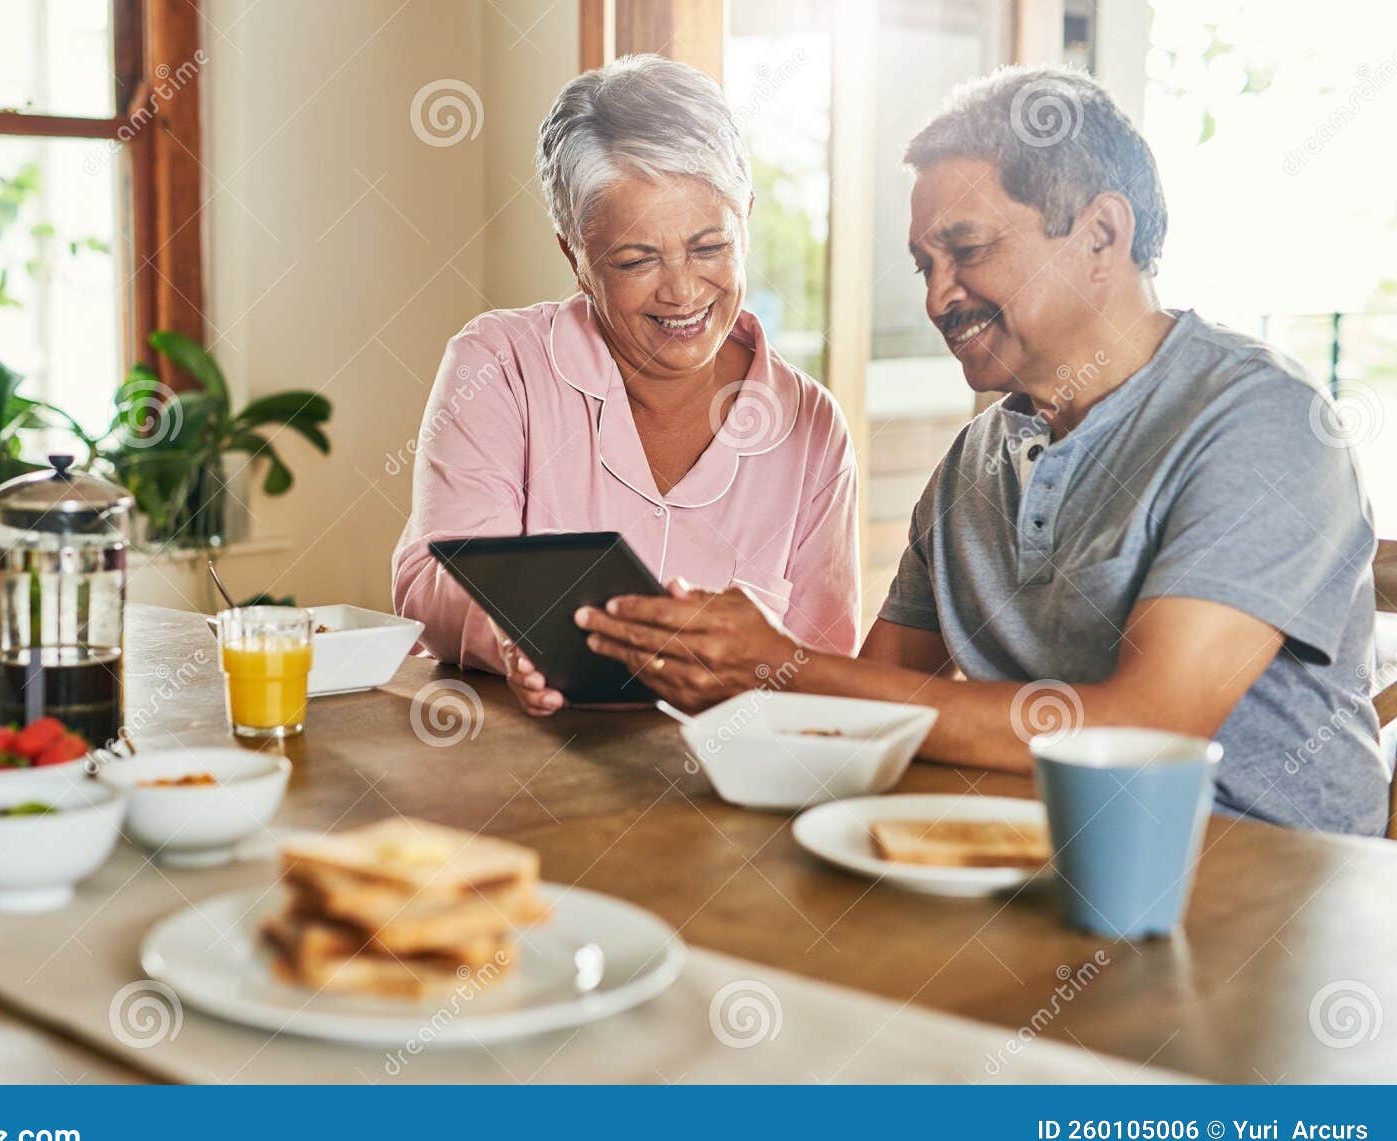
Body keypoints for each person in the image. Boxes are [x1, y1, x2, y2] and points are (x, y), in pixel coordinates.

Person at [577, 65, 1387, 836]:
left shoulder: (1263, 423)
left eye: (967, 250)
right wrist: (700, 663)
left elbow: (1146, 729)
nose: (936, 296)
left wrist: (783, 666)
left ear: (1103, 233)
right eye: (925, 264)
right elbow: (873, 703)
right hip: (1026, 868)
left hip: (1268, 897)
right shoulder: (976, 462)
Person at [392, 55, 863, 716]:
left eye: (708, 248)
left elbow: (823, 666)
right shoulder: (499, 365)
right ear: (575, 256)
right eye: (637, 259)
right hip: (519, 781)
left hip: (722, 792)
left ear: (747, 219)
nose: (682, 290)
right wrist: (509, 633)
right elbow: (429, 576)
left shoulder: (811, 427)